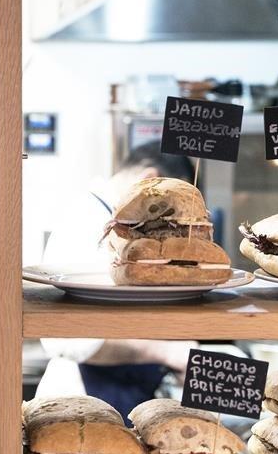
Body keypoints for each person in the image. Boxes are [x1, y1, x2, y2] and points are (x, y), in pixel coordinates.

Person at [35, 142, 198, 419]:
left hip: (124, 395)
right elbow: (67, 337)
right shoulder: (87, 220)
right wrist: (167, 351)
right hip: (83, 405)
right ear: (149, 181)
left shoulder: (119, 223)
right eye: (169, 210)